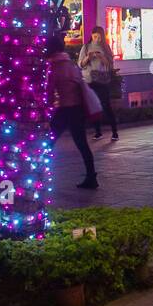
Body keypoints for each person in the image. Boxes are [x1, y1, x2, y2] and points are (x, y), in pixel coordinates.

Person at [45, 35, 99, 190]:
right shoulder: (70, 64)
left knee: (48, 141)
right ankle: (91, 175)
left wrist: (47, 107)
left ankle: (38, 174)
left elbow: (49, 92)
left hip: (65, 108)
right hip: (77, 108)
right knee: (82, 143)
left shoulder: (54, 66)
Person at [79, 26, 119, 141]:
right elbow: (80, 64)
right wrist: (88, 57)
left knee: (106, 105)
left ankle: (114, 131)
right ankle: (97, 131)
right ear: (91, 36)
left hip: (102, 80)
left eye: (99, 36)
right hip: (89, 80)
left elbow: (110, 65)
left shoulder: (106, 48)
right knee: (92, 106)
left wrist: (102, 57)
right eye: (94, 36)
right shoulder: (86, 47)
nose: (96, 39)